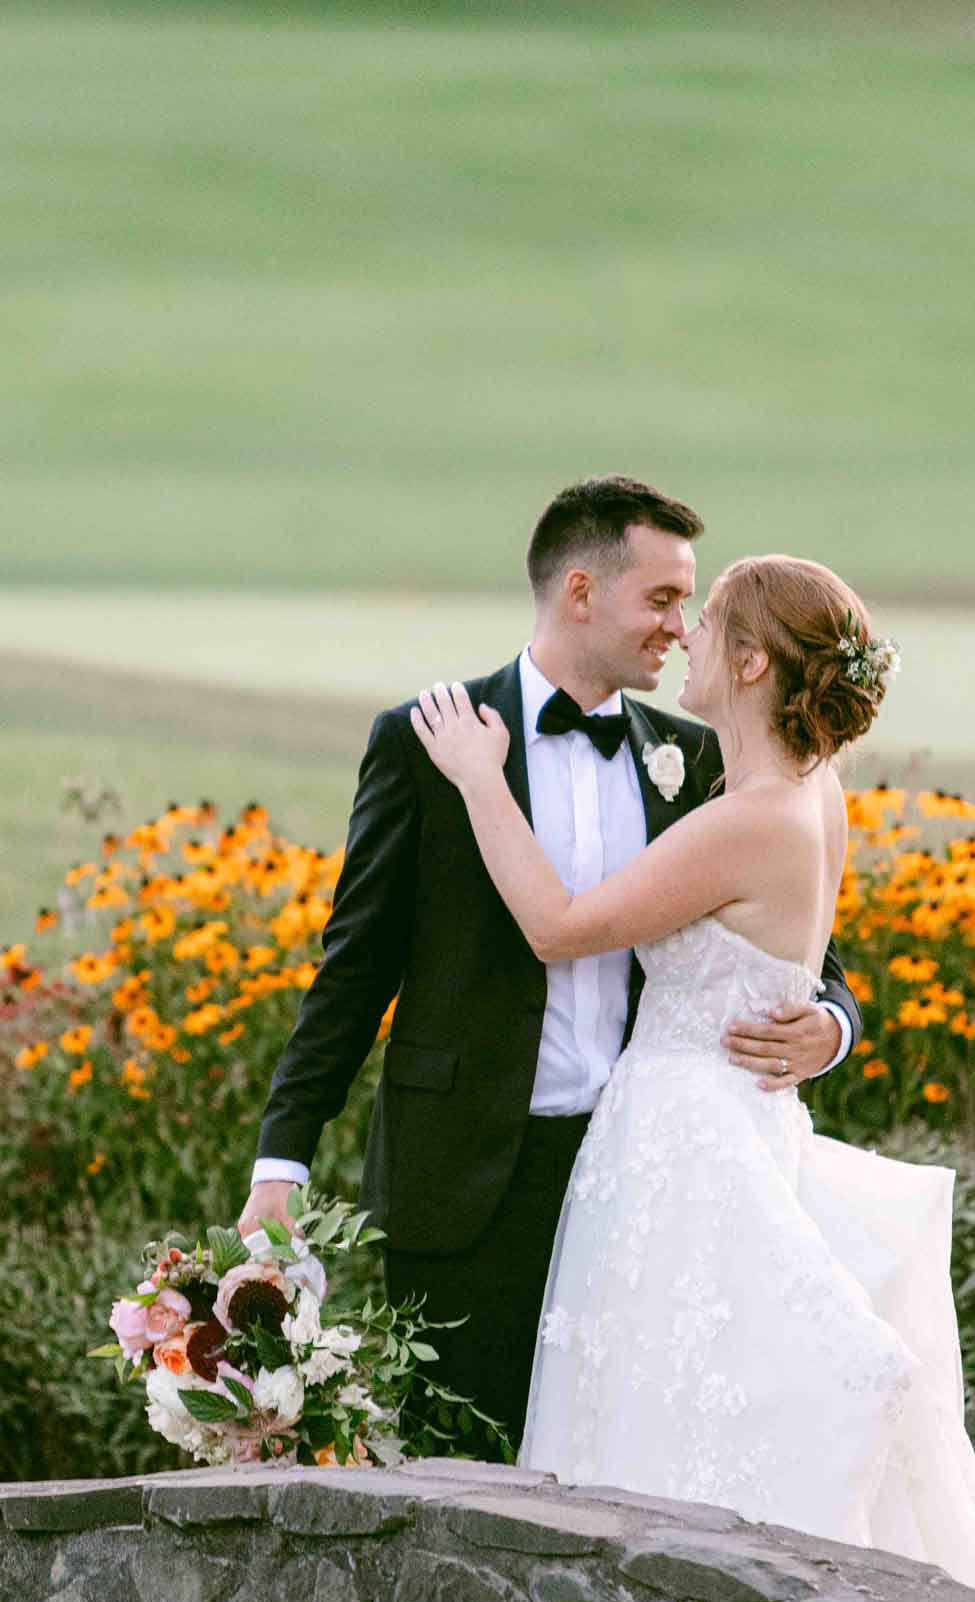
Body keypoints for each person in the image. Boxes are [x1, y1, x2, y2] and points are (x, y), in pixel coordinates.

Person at [410, 552, 975, 1596]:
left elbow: (562, 927)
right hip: (724, 1126)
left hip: (685, 1149)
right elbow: (795, 965)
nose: (685, 638)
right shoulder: (805, 791)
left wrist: (481, 778)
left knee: (660, 1416)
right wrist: (830, 1024)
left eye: (703, 622)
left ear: (748, 663)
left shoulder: (754, 818)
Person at [239, 477, 864, 1460]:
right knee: (456, 1480)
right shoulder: (429, 741)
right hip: (461, 1183)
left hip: (637, 1179)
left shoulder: (706, 758)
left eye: (690, 607)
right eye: (661, 600)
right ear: (581, 593)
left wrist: (831, 1024)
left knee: (620, 1457)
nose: (676, 629)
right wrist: (283, 1161)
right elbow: (355, 972)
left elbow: (808, 941)